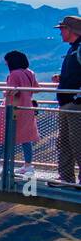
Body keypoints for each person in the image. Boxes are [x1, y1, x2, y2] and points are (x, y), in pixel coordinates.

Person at [0, 50, 40, 179]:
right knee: (26, 137)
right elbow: (37, 89)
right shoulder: (30, 73)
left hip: (13, 108)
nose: (6, 64)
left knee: (5, 134)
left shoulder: (14, 74)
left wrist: (5, 93)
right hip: (27, 108)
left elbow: (12, 92)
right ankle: (28, 165)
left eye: (7, 62)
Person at [48, 15, 81, 187]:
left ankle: (70, 178)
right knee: (66, 142)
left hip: (76, 104)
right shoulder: (74, 48)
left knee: (78, 142)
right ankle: (66, 178)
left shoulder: (79, 48)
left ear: (71, 30)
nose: (60, 32)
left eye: (62, 29)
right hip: (69, 103)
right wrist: (63, 78)